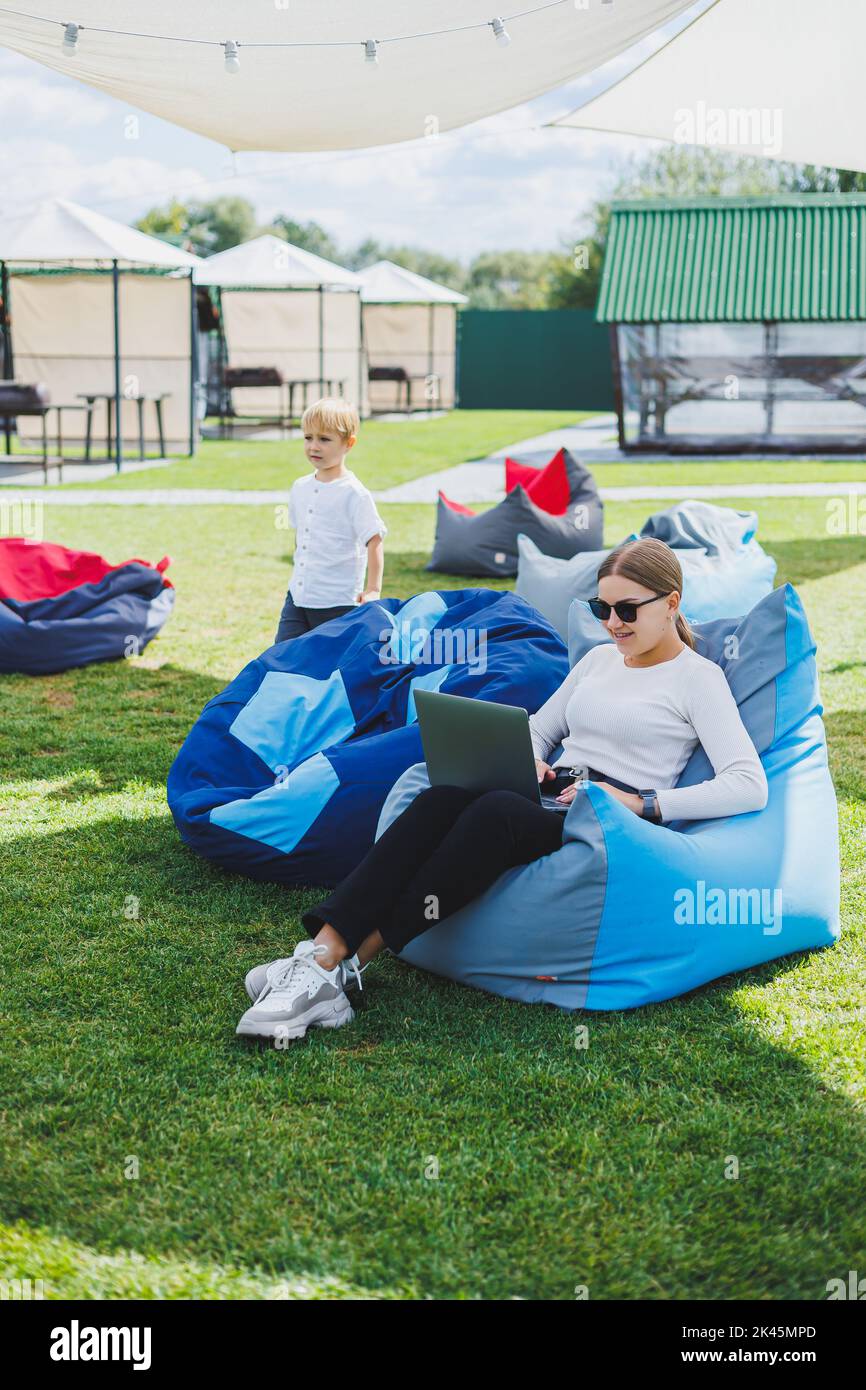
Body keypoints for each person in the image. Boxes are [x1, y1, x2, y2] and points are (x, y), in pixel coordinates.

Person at [237, 537, 769, 1042]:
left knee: (494, 815)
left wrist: (644, 803)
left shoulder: (698, 680)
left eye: (626, 610)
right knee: (439, 798)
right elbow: (541, 728)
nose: (612, 624)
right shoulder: (598, 661)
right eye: (600, 609)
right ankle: (322, 954)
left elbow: (748, 785)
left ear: (671, 602)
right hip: (547, 792)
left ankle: (351, 964)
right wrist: (532, 758)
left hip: (606, 816)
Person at [274, 397, 387, 643]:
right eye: (308, 437)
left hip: (339, 601)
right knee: (283, 655)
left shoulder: (354, 493)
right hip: (299, 596)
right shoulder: (300, 487)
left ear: (349, 443)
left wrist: (372, 589)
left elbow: (374, 539)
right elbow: (301, 535)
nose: (314, 446)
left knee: (331, 666)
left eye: (324, 439)